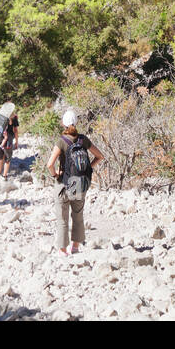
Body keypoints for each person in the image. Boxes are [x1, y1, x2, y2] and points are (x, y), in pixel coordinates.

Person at [46, 109, 105, 255]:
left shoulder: (62, 141)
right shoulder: (83, 139)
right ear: (76, 122)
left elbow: (49, 165)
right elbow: (100, 156)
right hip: (79, 183)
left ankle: (63, 250)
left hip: (64, 184)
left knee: (62, 218)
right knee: (77, 216)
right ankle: (76, 247)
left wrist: (56, 175)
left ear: (63, 124)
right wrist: (87, 169)